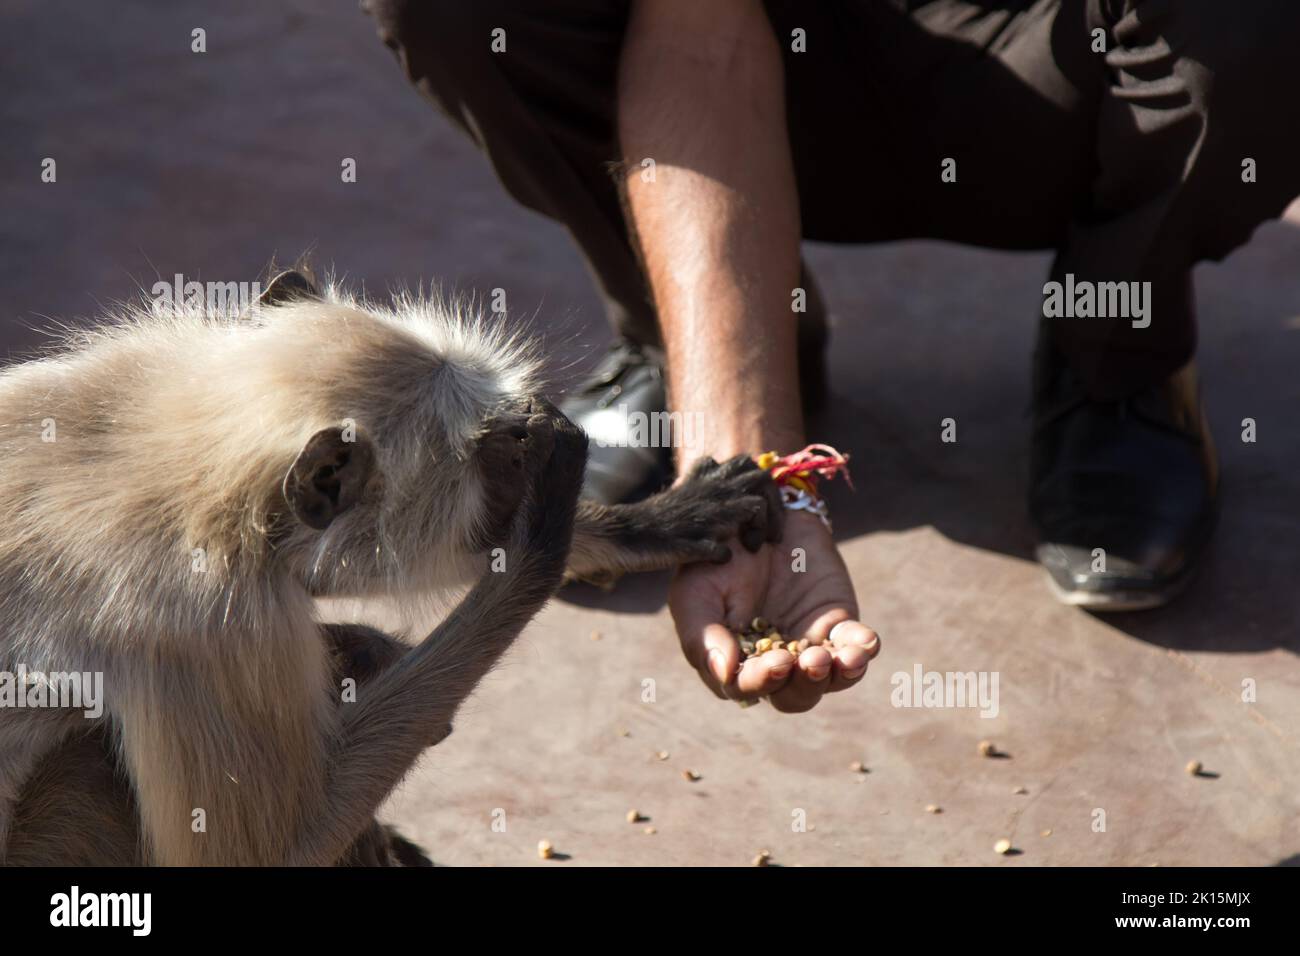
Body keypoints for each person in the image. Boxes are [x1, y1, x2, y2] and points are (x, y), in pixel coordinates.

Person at [362, 0, 1300, 712]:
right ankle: (689, 336)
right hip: (795, 59)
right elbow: (699, 32)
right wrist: (747, 476)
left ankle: (1115, 350)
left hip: (1087, 70)